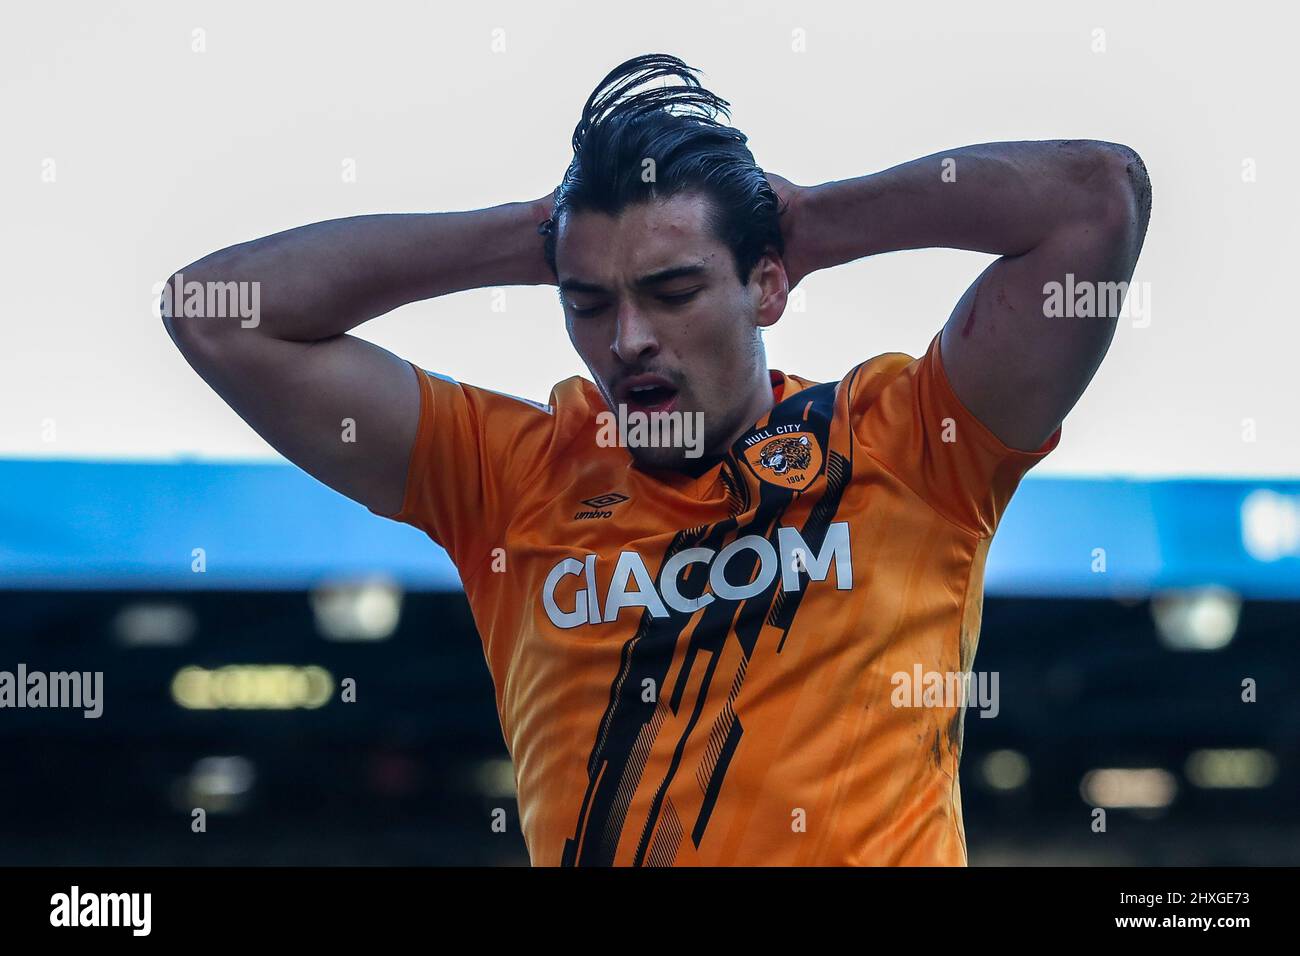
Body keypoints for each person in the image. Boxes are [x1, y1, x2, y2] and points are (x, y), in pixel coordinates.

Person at [162, 53, 1151, 865]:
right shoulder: (512, 477)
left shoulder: (907, 444)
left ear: (766, 287)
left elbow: (1097, 199)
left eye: (673, 289)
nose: (627, 336)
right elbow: (216, 313)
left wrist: (815, 222)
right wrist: (529, 235)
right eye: (588, 303)